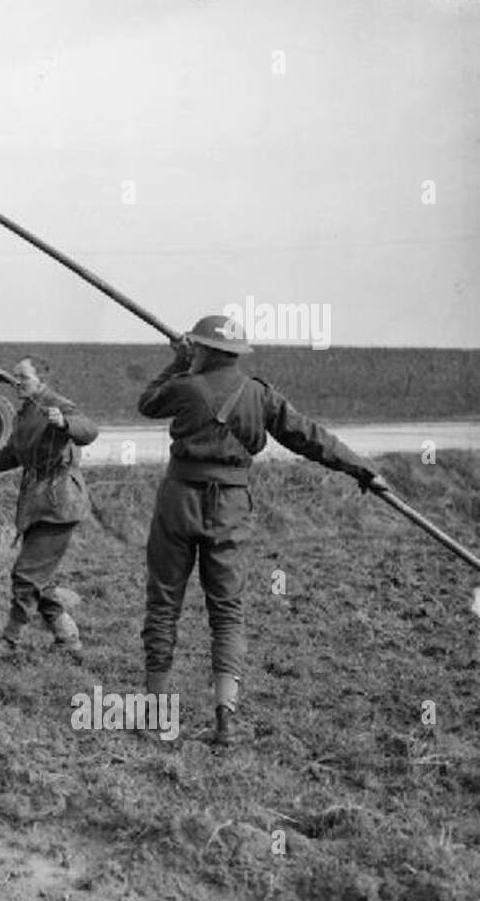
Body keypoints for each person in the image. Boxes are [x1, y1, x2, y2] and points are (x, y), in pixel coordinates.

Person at [137, 315, 388, 746]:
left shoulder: (183, 385)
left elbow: (147, 403)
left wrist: (176, 364)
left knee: (164, 603)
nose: (192, 352)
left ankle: (157, 716)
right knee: (227, 610)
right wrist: (362, 469)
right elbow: (309, 437)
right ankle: (224, 721)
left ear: (208, 351)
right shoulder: (260, 394)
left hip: (179, 502)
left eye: (196, 347)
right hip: (230, 509)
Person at [0, 356, 98, 662]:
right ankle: (67, 638)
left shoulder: (56, 404)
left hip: (60, 503)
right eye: (16, 377)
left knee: (26, 575)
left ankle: (9, 641)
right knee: (38, 576)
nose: (18, 382)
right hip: (39, 502)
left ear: (41, 379)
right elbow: (11, 455)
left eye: (25, 377)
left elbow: (89, 430)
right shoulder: (27, 411)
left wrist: (65, 423)